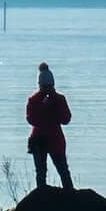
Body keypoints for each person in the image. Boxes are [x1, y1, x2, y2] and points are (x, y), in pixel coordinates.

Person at [26, 62, 74, 190]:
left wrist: (53, 109)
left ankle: (70, 196)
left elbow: (66, 119)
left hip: (53, 139)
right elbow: (31, 119)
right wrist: (44, 107)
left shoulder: (58, 99)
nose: (47, 89)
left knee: (62, 170)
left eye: (48, 86)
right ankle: (43, 197)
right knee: (42, 172)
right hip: (43, 139)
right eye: (44, 86)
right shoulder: (34, 100)